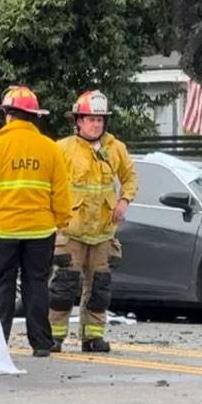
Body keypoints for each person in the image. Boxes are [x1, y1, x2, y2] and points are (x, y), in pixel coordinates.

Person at [0, 86, 71, 358]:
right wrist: (62, 219)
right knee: (36, 284)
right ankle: (41, 343)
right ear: (34, 117)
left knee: (1, 285)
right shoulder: (49, 148)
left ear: (9, 115)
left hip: (3, 230)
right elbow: (61, 190)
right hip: (41, 230)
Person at [50, 90, 138, 353]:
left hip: (103, 232)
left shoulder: (115, 148)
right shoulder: (62, 149)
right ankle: (54, 336)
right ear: (78, 121)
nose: (96, 124)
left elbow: (130, 177)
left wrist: (124, 200)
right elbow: (49, 181)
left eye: (100, 120)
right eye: (91, 119)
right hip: (71, 230)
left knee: (100, 288)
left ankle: (93, 336)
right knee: (64, 286)